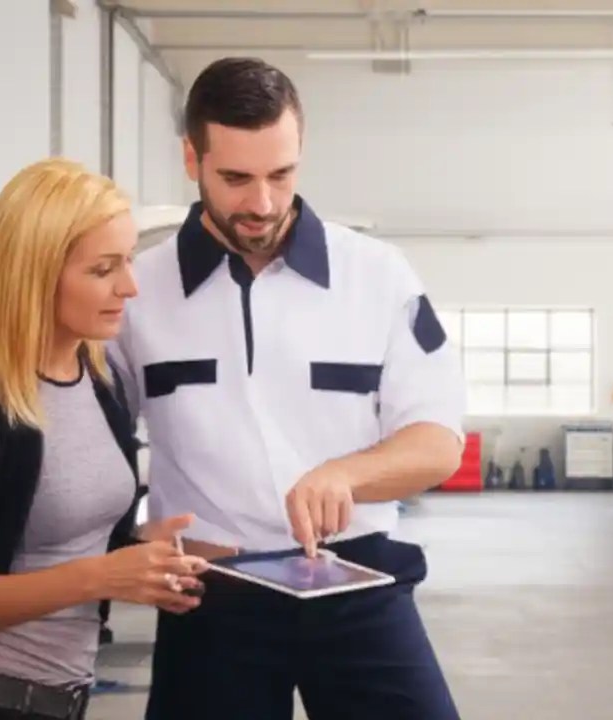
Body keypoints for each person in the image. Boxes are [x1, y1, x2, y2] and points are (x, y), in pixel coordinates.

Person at [106, 57, 467, 719]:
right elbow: (88, 450)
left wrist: (347, 474)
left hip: (357, 582)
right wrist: (126, 546)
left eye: (282, 173)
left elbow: (437, 440)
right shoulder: (138, 291)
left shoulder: (377, 276)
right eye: (236, 178)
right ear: (192, 158)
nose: (263, 203)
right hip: (209, 596)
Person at [0, 158, 209, 720]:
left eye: (127, 262)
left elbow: (57, 548)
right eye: (103, 269)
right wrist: (101, 577)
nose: (129, 287)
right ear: (35, 274)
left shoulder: (99, 384)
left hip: (62, 699)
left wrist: (142, 555)